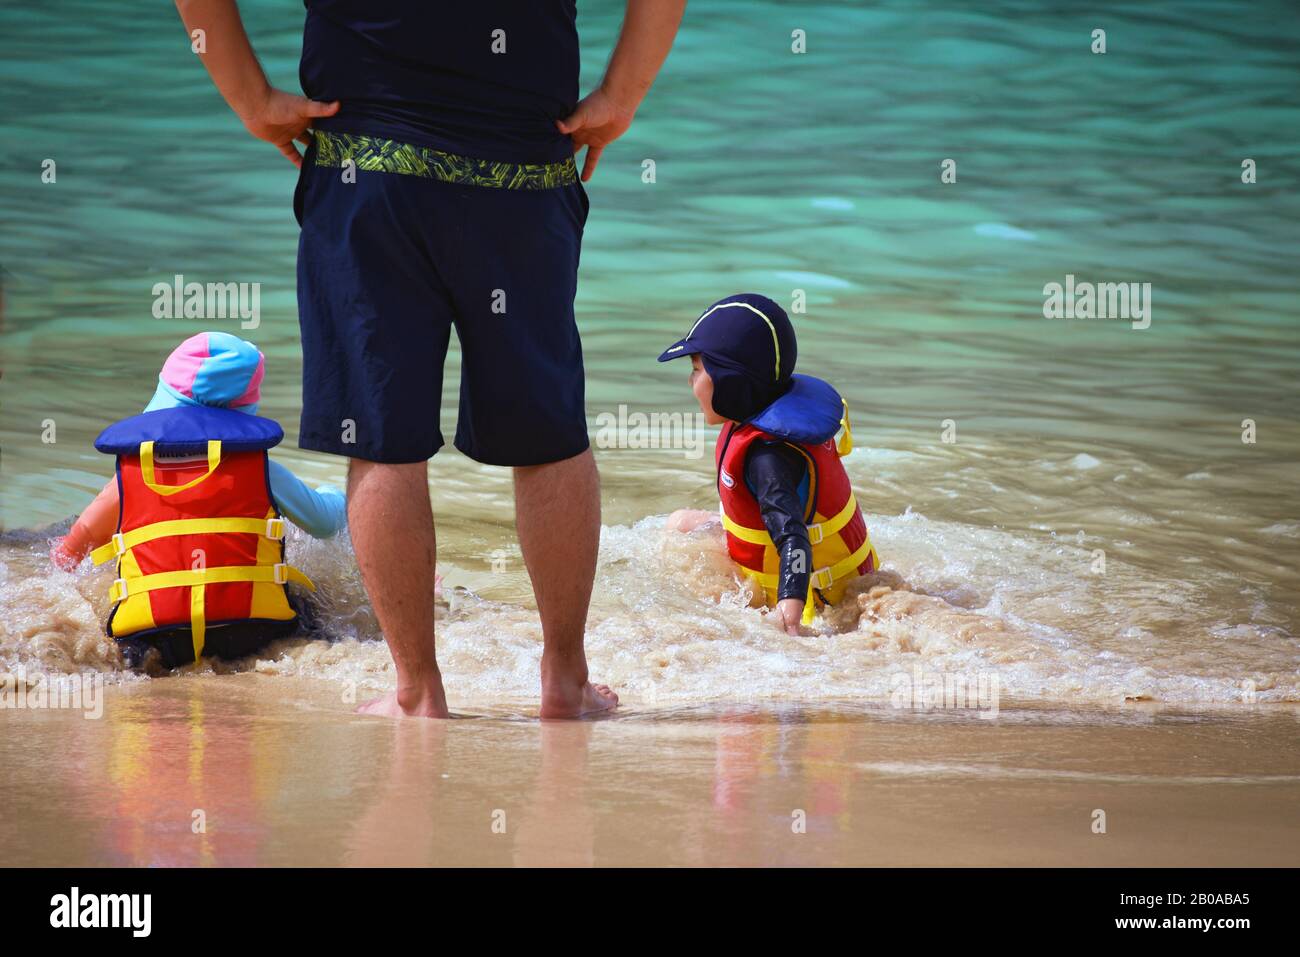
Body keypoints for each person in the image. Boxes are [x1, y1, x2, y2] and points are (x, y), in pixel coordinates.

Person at [172, 0, 685, 716]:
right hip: (523, 165)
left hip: (365, 168)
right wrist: (622, 94)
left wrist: (252, 98)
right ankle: (564, 679)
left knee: (382, 442)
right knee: (548, 434)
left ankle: (417, 691)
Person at [52, 332, 347, 668]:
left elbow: (71, 551)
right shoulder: (263, 470)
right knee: (310, 606)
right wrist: (339, 496)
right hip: (251, 632)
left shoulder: (129, 477)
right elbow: (325, 523)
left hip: (156, 638)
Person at [659, 294, 880, 634]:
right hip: (793, 551)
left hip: (817, 588)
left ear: (732, 382)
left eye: (697, 370)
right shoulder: (759, 422)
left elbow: (793, 536)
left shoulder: (768, 458)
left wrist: (790, 611)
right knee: (680, 524)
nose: (690, 381)